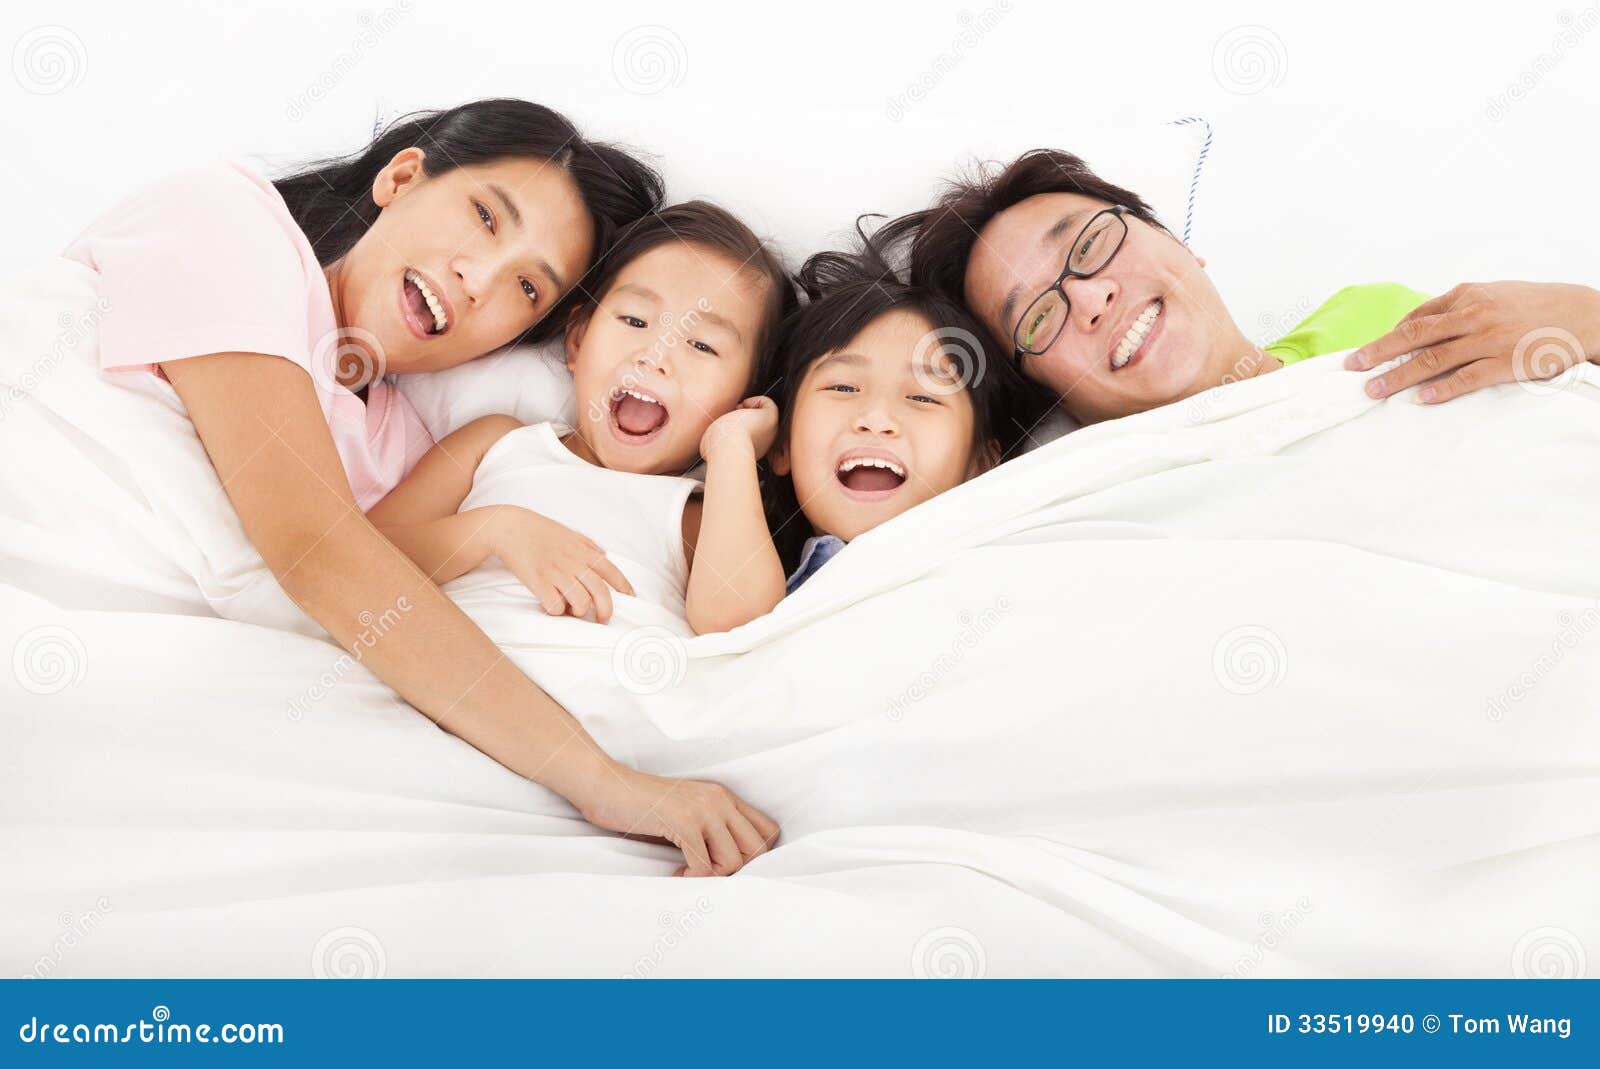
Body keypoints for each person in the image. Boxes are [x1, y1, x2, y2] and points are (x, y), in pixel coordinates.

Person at [61, 98, 774, 877]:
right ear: (402, 178)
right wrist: (604, 781)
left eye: (528, 290)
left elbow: (378, 588)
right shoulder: (232, 224)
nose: (478, 281)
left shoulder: (395, 447)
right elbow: (321, 553)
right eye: (485, 218)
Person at [886, 149, 1600, 425]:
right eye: (1039, 315)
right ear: (1049, 395)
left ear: (1179, 244)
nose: (1090, 297)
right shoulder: (1080, 494)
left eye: (1091, 243)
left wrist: (1582, 318)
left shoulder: (1377, 314)